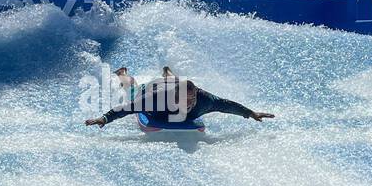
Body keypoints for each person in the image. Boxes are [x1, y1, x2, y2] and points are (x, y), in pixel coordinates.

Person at [85, 66, 274, 128]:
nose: (189, 105)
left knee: (177, 82)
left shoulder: (204, 100)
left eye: (191, 101)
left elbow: (227, 105)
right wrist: (104, 118)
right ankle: (122, 73)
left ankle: (169, 73)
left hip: (175, 86)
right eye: (184, 101)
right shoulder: (155, 100)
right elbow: (125, 108)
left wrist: (251, 113)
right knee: (132, 89)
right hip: (151, 89)